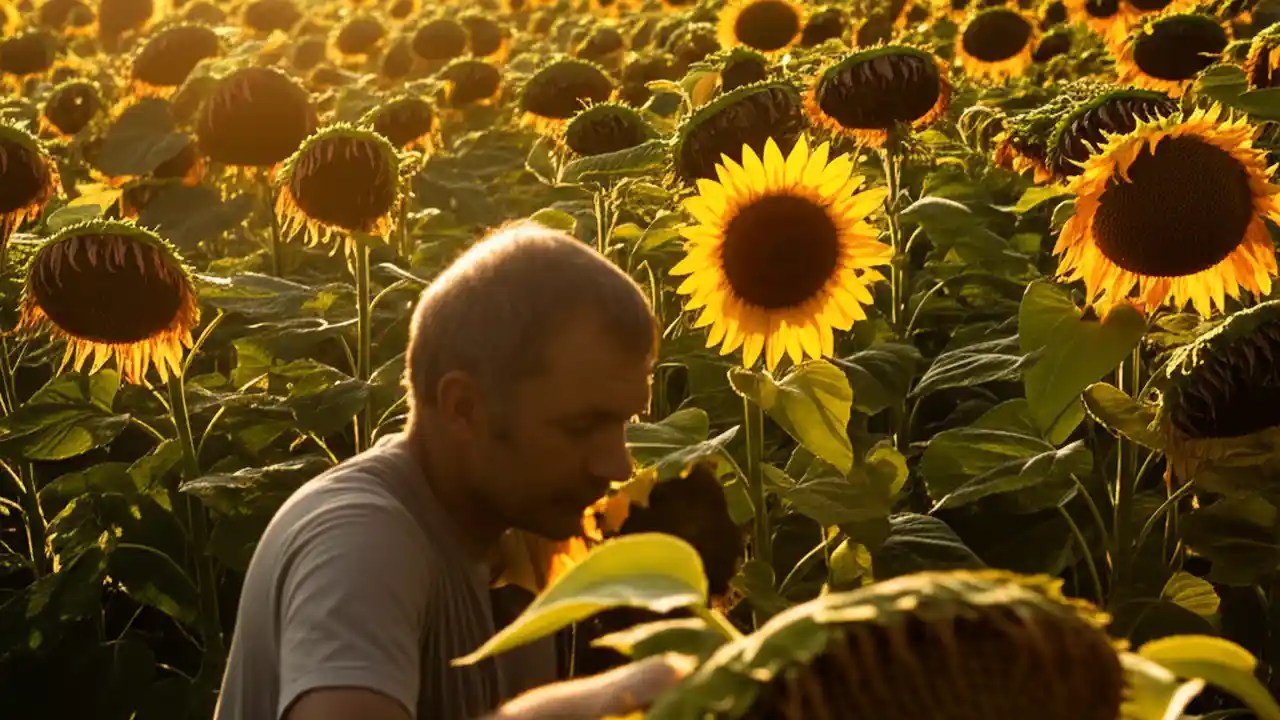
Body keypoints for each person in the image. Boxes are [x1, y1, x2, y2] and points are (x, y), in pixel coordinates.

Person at [214, 221, 690, 720]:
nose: (617, 465)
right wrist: (597, 703)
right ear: (464, 408)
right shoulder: (361, 542)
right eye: (581, 426)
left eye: (624, 421)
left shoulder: (519, 541)